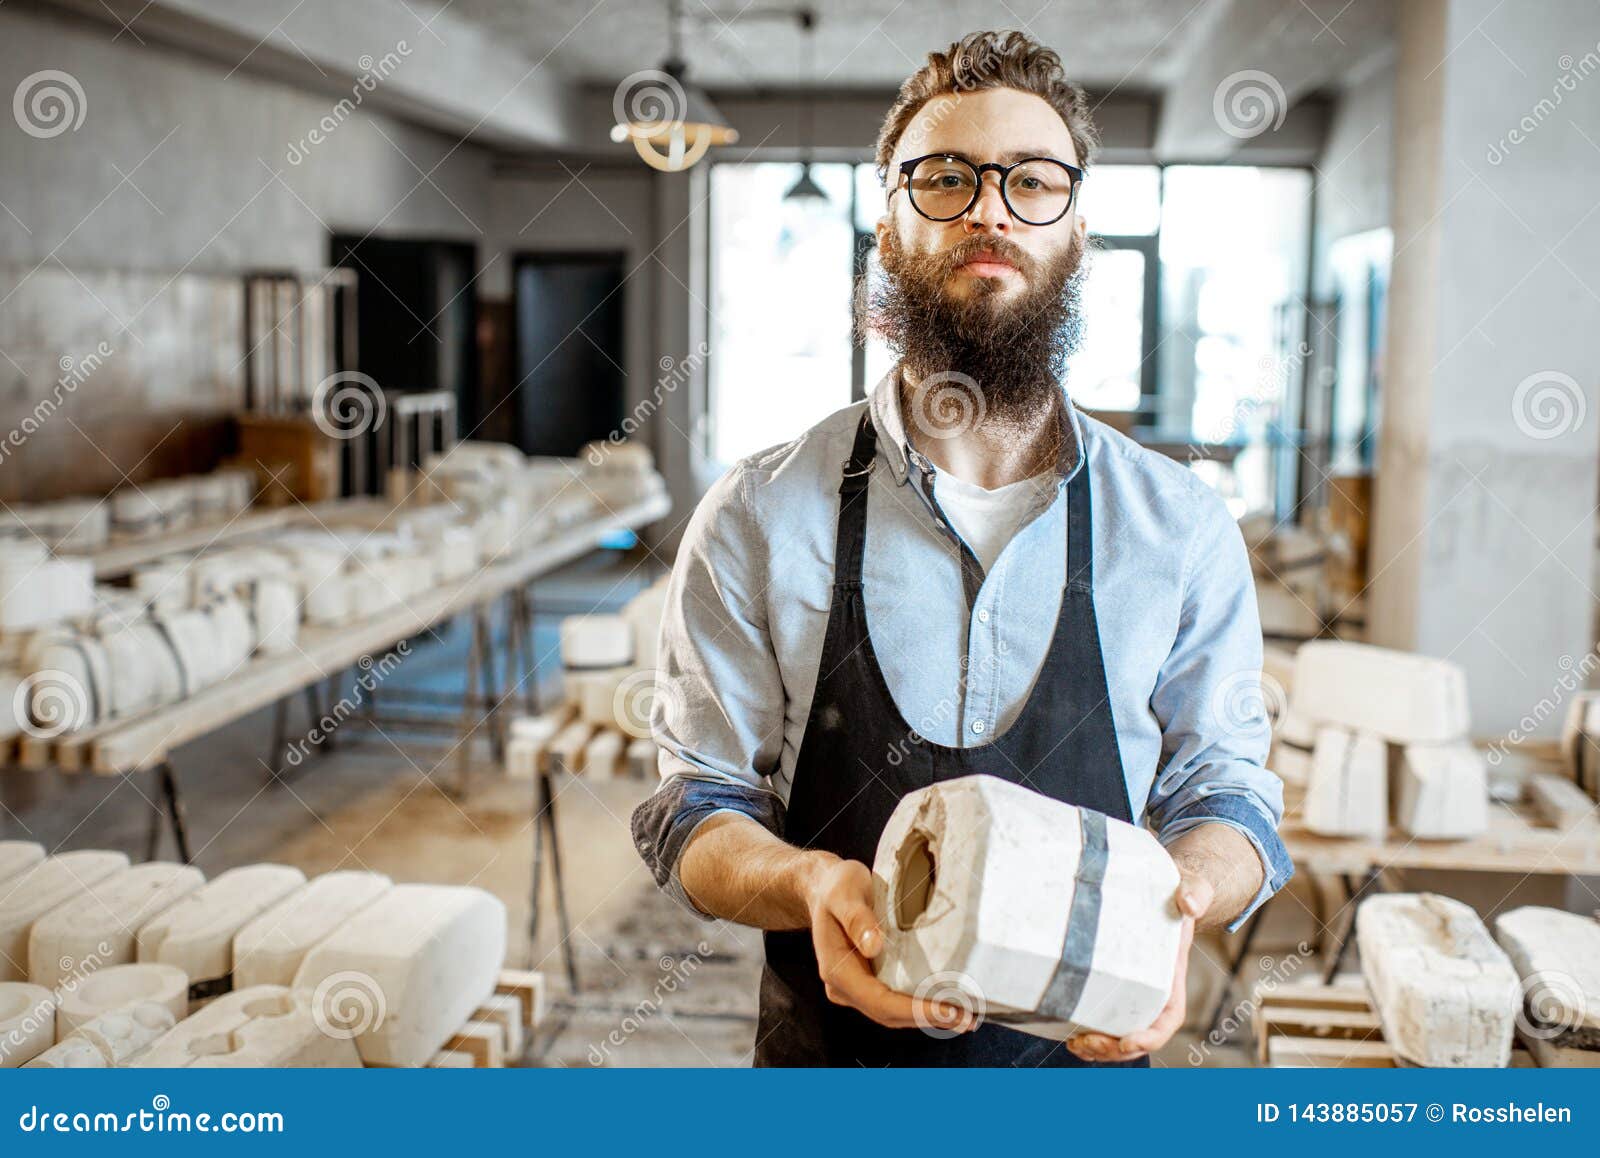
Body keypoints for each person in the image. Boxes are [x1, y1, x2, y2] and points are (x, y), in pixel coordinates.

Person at [631, 28, 1292, 1067]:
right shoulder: (760, 512)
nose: (988, 207)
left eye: (1032, 181)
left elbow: (1228, 795)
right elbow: (696, 807)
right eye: (943, 179)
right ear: (886, 221)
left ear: (1077, 227)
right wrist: (808, 883)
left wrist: (1181, 904)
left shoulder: (1178, 527)